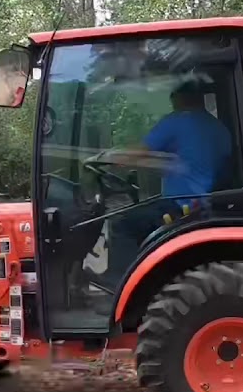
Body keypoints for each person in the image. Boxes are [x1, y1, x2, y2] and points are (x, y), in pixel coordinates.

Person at [93, 80, 233, 282]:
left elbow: (140, 153)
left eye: (173, 100)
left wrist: (108, 158)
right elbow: (197, 164)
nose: (173, 105)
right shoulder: (219, 128)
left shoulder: (177, 121)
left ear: (180, 98)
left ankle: (118, 285)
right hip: (208, 205)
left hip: (181, 205)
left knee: (121, 225)